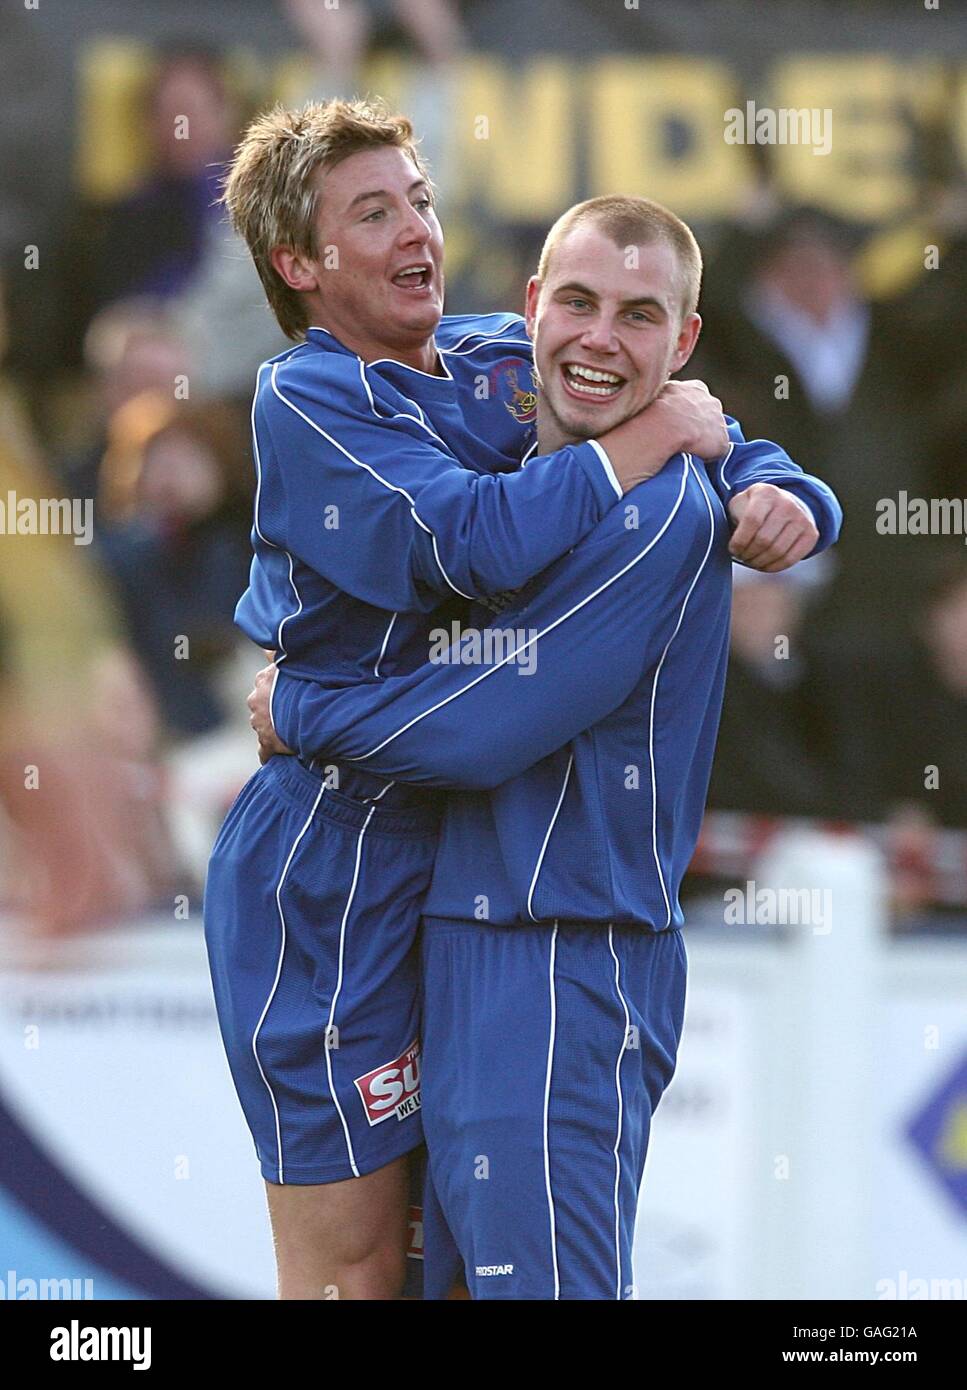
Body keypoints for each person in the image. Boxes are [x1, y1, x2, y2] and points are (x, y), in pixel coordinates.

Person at [205, 98, 837, 1301]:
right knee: (352, 1271)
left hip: (455, 860)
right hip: (331, 860)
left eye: (421, 200)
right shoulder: (307, 396)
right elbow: (470, 541)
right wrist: (652, 439)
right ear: (299, 264)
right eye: (372, 214)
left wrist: (787, 483)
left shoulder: (504, 352)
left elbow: (689, 414)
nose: (416, 233)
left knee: (458, 1265)